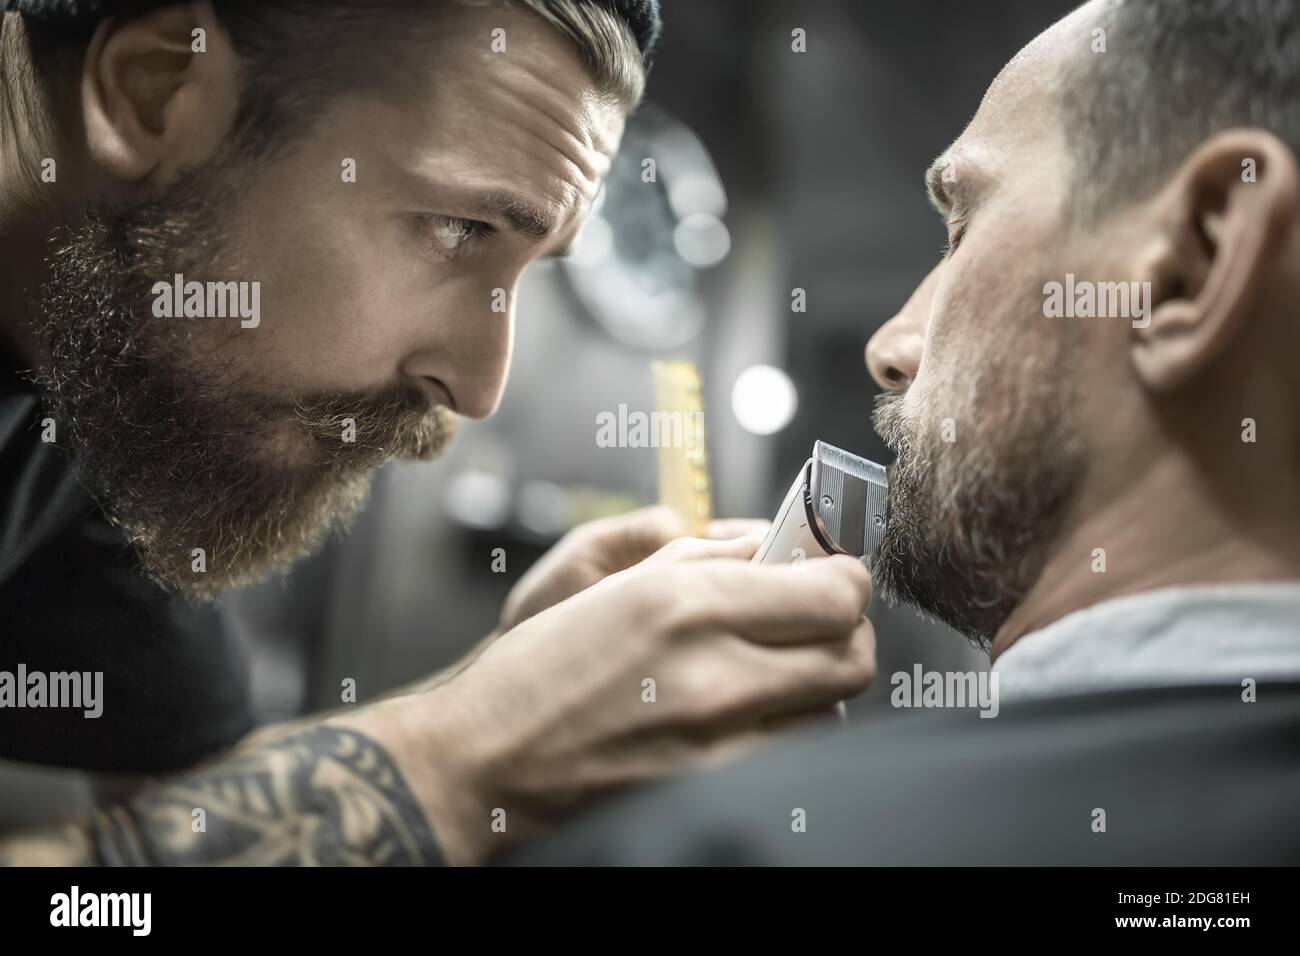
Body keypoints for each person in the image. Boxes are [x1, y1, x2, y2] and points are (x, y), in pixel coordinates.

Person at [0, 0, 877, 865]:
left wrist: (524, 699)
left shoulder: (118, 381)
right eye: (459, 228)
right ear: (151, 90)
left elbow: (216, 809)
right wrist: (467, 760)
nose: (478, 388)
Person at [507, 0, 1300, 865]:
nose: (890, 350)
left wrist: (498, 769)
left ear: (1192, 260)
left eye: (960, 231)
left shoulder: (714, 851)